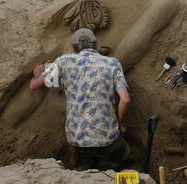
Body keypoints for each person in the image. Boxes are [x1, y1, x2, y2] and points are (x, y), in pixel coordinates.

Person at [29, 27, 132, 171]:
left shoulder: (64, 62)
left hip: (78, 139)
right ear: (95, 45)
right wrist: (120, 124)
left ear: (74, 47)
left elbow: (34, 86)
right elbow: (125, 100)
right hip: (107, 138)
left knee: (83, 169)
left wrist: (37, 74)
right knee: (122, 158)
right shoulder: (112, 63)